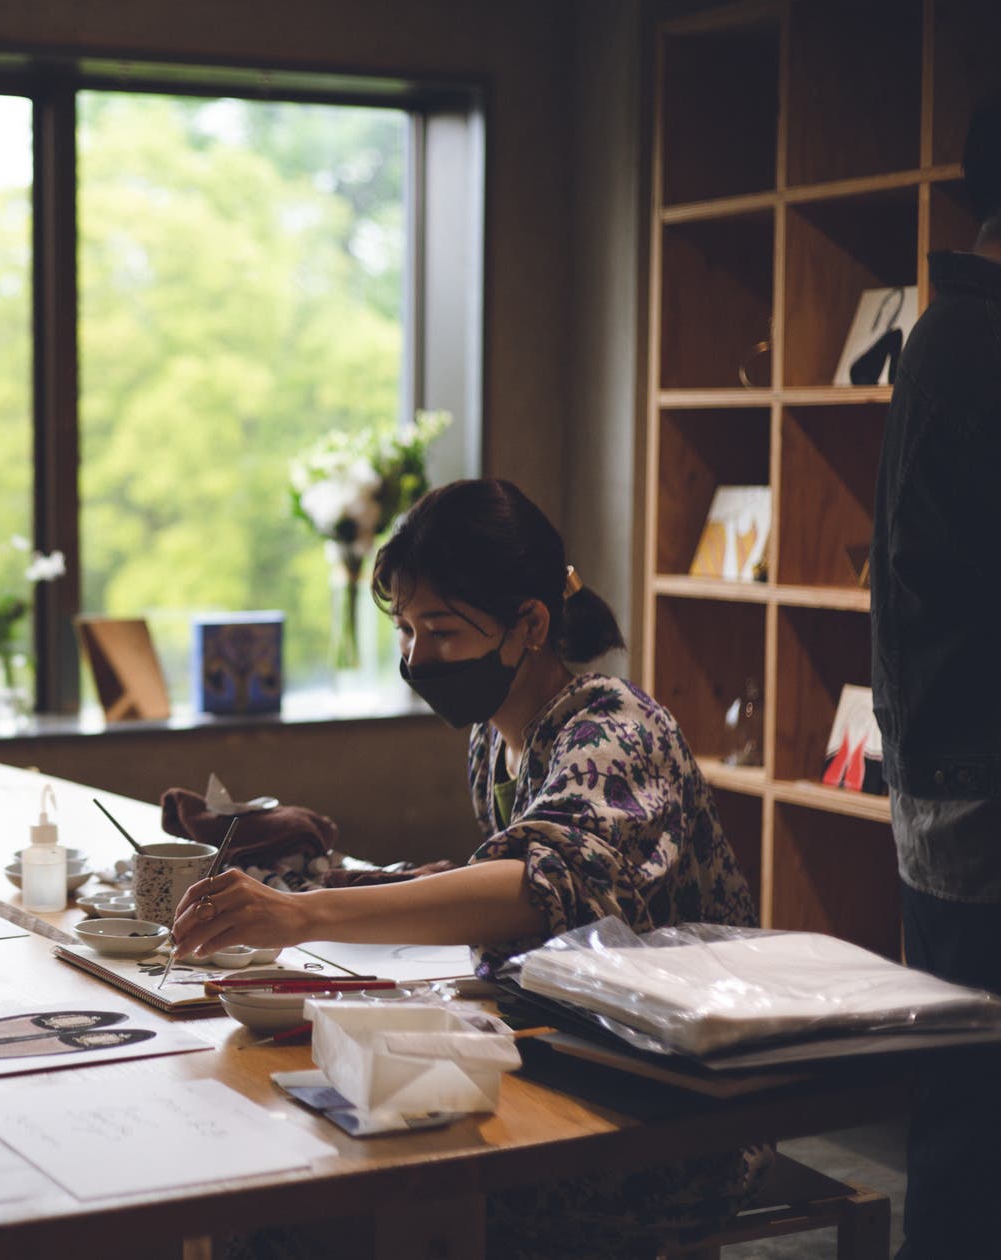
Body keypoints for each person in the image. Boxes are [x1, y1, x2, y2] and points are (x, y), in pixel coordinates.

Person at [174, 478, 764, 1259]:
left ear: (530, 624)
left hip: (672, 1107)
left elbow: (539, 886)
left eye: (442, 631)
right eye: (407, 631)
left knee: (309, 1207)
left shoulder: (618, 729)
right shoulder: (496, 739)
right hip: (558, 1053)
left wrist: (305, 912)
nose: (418, 658)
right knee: (290, 1155)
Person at [870, 91, 1001, 1260]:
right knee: (977, 1111)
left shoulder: (948, 333)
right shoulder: (980, 345)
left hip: (948, 759)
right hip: (978, 770)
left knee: (970, 1100)